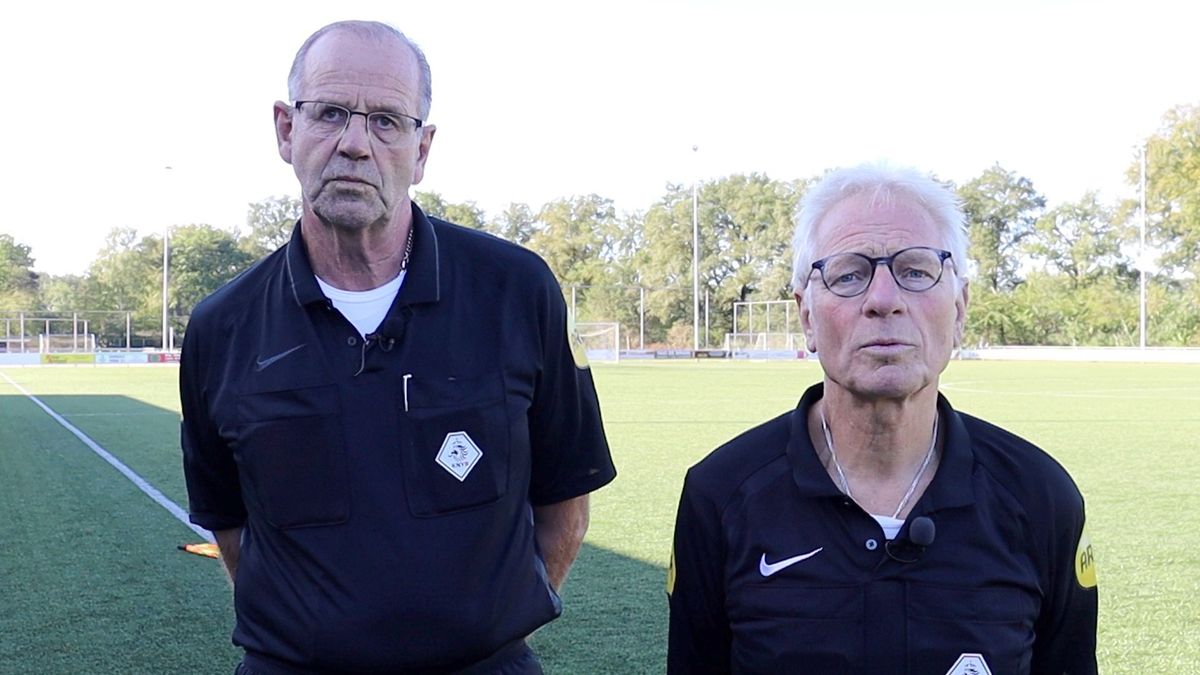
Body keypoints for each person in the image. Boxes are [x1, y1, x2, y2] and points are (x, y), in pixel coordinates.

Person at [180, 20, 616, 675]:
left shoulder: (518, 289)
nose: (356, 144)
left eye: (387, 120)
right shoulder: (221, 327)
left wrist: (486, 633)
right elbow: (232, 526)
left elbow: (565, 500)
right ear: (285, 129)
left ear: (422, 148)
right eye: (329, 114)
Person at [666, 164, 1098, 674]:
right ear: (807, 315)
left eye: (916, 271)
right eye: (849, 274)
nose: (884, 300)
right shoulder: (719, 495)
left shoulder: (1040, 496)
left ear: (958, 308)